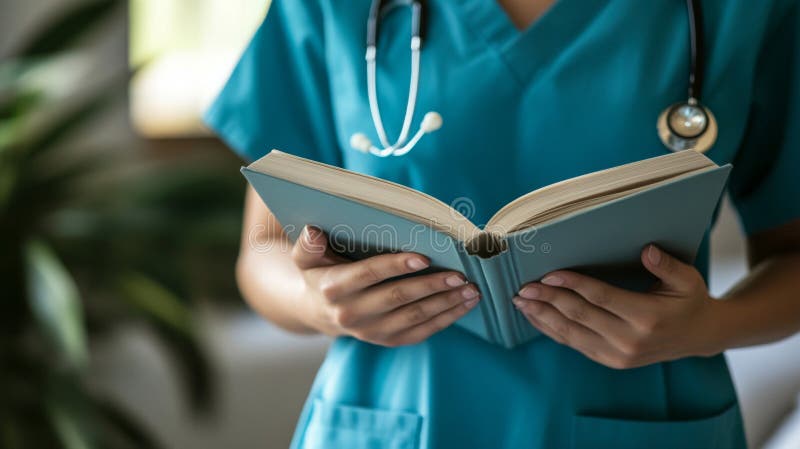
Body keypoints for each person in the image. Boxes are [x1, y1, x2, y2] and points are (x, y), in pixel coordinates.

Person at [203, 1, 800, 447]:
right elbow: (263, 247)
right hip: (393, 417)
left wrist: (711, 325)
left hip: (644, 422)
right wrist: (316, 302)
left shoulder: (747, 11)